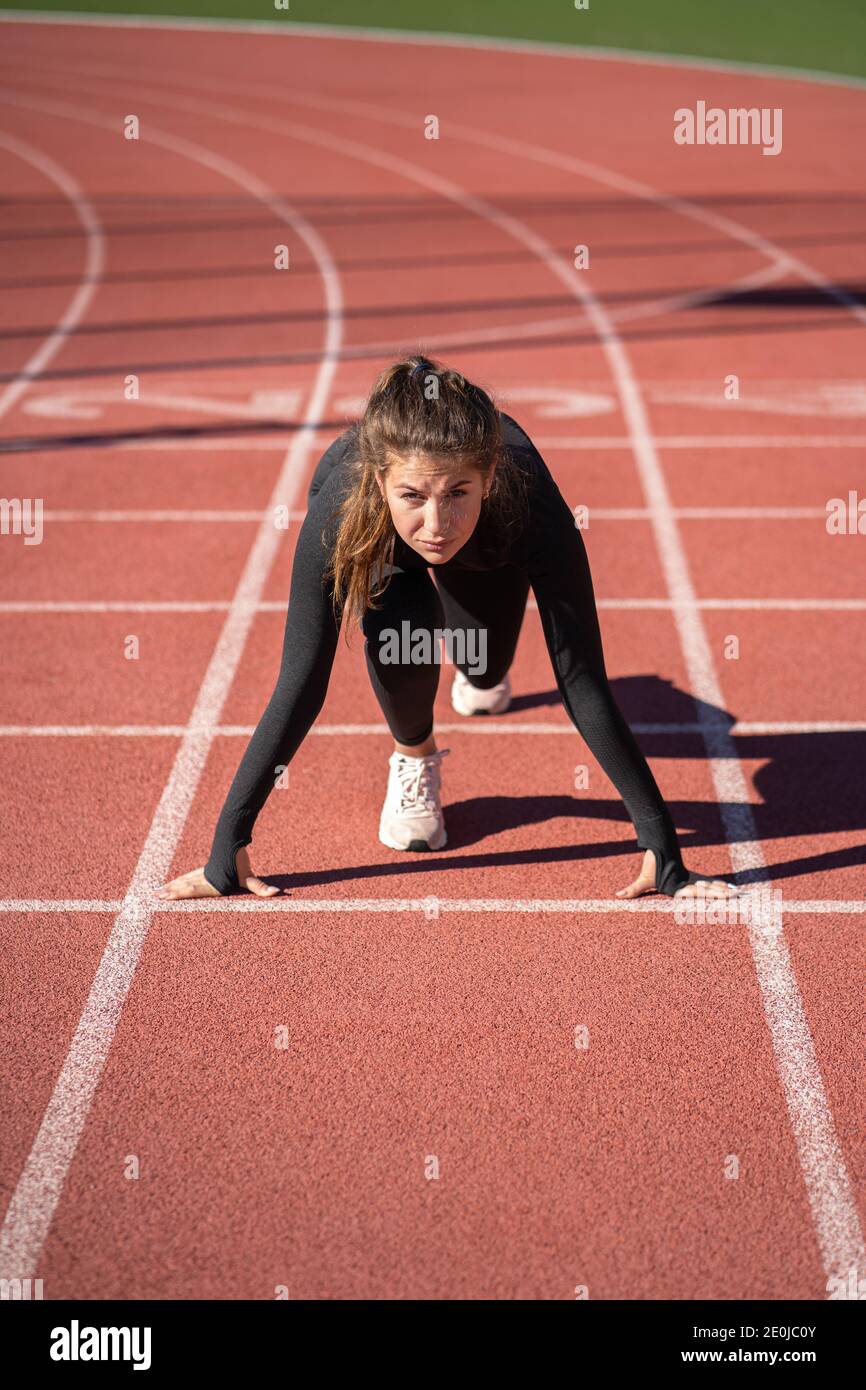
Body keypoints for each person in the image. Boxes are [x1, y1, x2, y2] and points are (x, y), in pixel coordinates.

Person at [156, 355, 738, 903]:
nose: (436, 523)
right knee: (402, 631)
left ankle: (479, 670)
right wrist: (227, 848)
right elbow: (302, 679)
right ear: (378, 480)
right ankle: (414, 754)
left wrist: (663, 853)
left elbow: (581, 678)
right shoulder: (341, 508)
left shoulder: (530, 503)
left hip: (490, 548)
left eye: (458, 492)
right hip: (389, 556)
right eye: (413, 494)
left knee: (483, 667)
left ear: (488, 473)